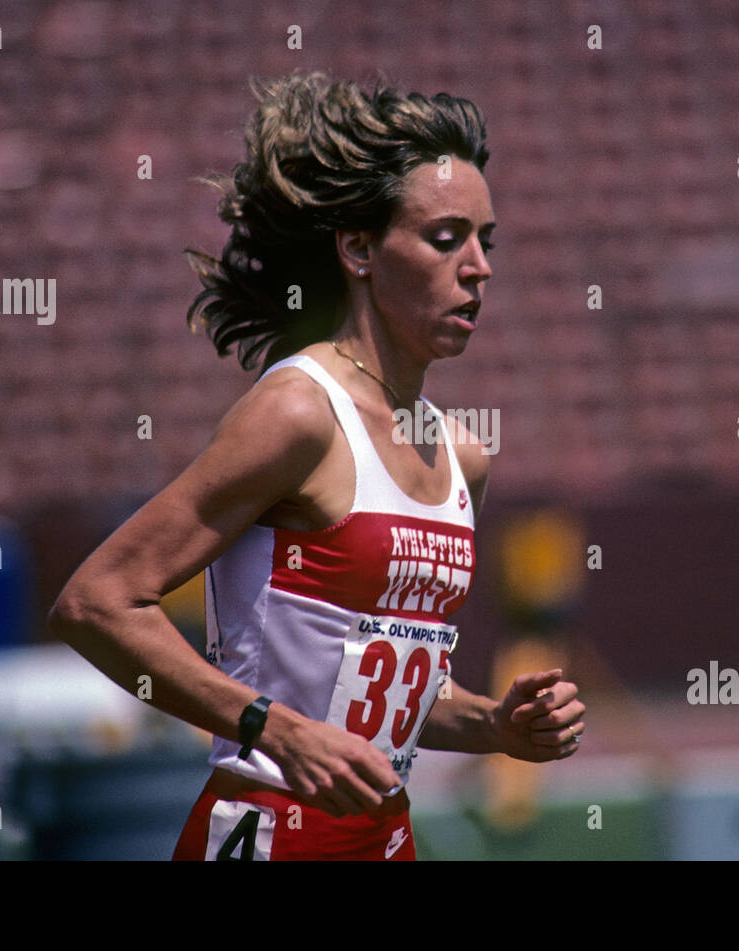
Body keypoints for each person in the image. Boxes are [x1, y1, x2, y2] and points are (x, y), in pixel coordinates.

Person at [48, 70, 585, 861]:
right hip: (268, 835)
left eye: (486, 241)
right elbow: (94, 605)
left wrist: (494, 725)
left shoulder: (464, 457)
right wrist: (276, 728)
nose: (479, 267)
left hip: (386, 838)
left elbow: (386, 694)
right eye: (446, 238)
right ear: (359, 248)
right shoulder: (299, 413)